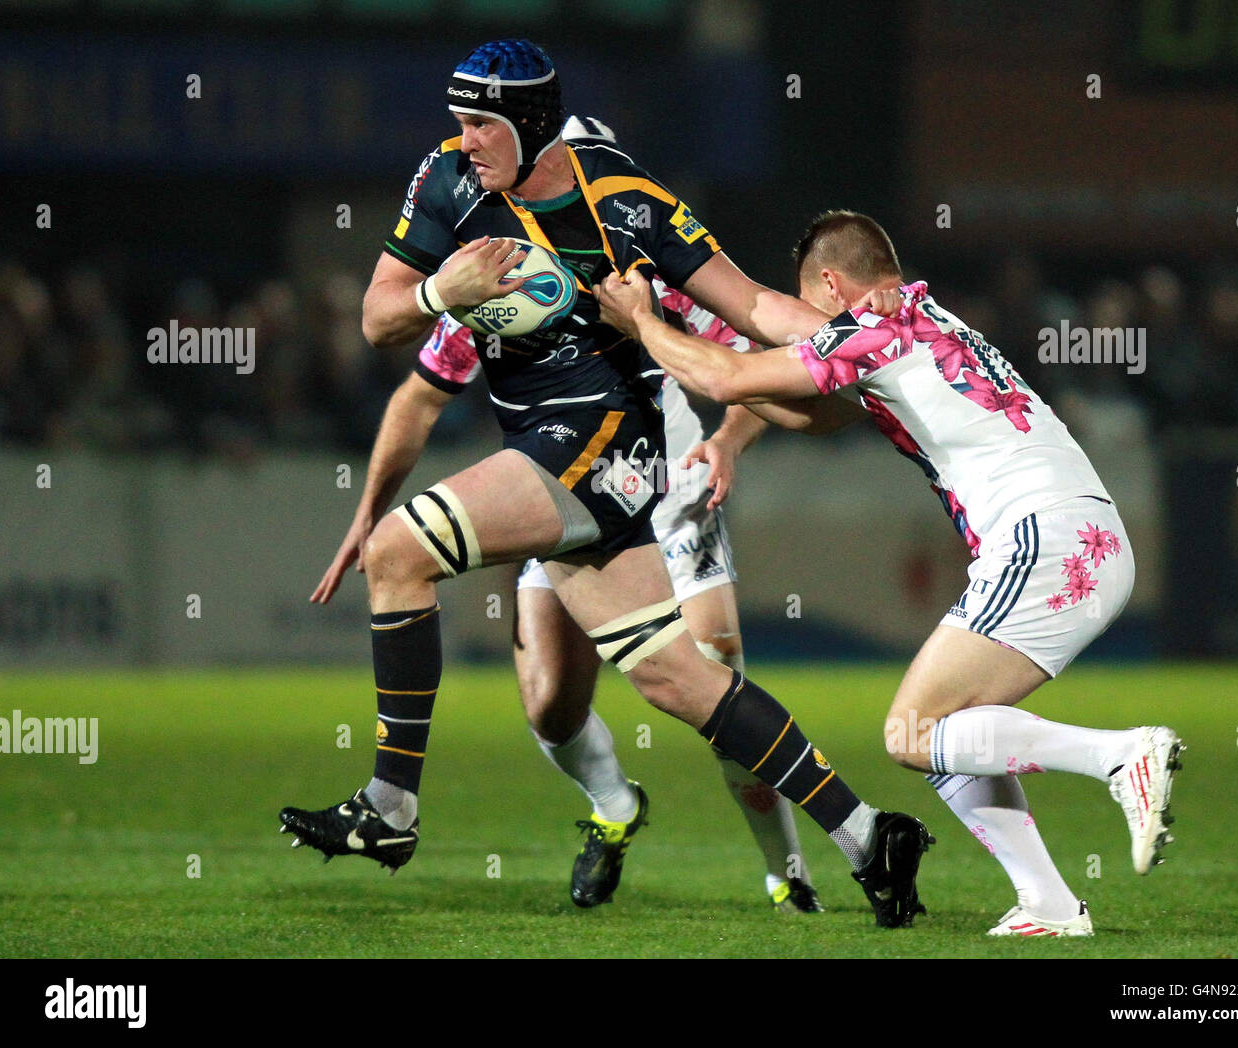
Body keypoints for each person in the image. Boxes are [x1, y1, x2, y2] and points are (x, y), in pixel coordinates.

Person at [280, 41, 933, 928]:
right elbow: (378, 317)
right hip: (553, 454)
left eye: (483, 124)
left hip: (604, 439)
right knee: (677, 680)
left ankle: (391, 808)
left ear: (536, 124)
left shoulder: (623, 202)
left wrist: (852, 336)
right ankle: (867, 836)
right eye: (461, 121)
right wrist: (443, 288)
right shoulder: (444, 181)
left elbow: (749, 306)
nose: (464, 140)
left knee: (401, 551)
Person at [595, 209, 1184, 937]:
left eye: (811, 304)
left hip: (1044, 540)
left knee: (911, 730)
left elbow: (723, 376)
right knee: (950, 728)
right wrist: (734, 433)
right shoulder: (919, 314)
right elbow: (821, 415)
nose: (811, 324)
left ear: (833, 285)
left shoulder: (867, 330)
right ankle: (1050, 904)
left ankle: (1120, 757)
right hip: (1081, 535)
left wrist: (643, 324)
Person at [312, 279, 834, 913]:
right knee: (551, 705)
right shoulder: (508, 288)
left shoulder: (654, 277)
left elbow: (754, 372)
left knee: (717, 682)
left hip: (673, 503)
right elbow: (420, 398)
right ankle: (616, 804)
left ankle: (788, 873)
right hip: (568, 497)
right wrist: (368, 513)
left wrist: (724, 441)